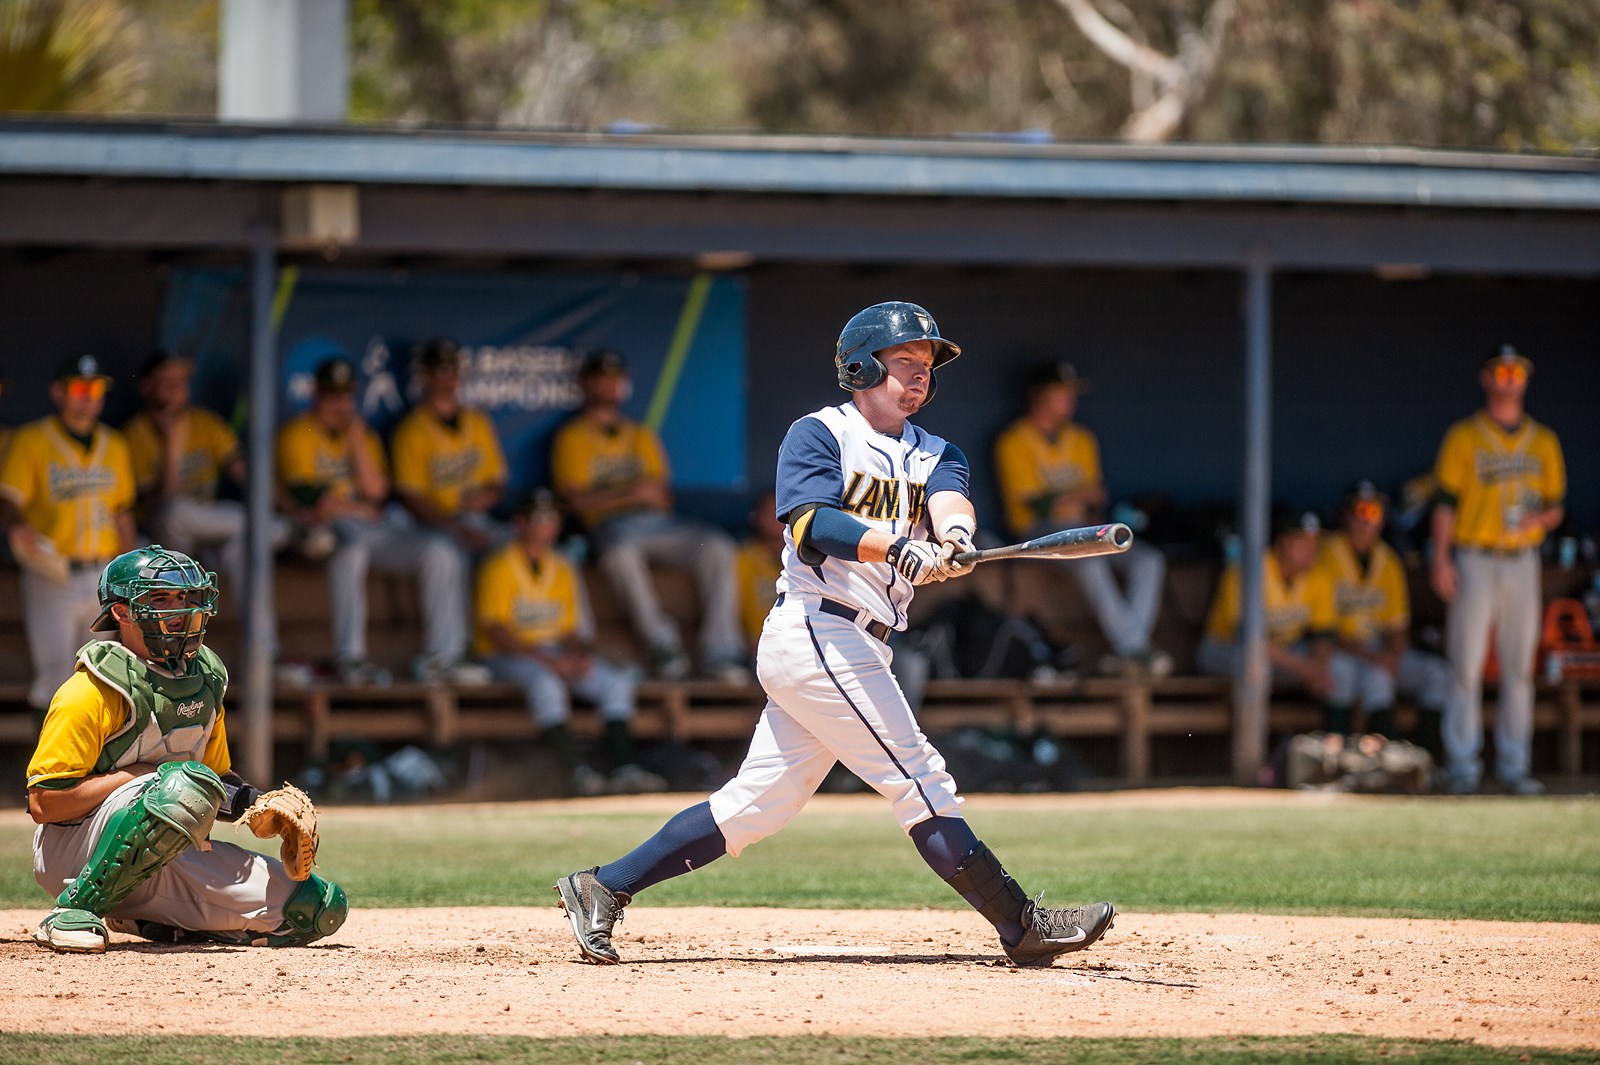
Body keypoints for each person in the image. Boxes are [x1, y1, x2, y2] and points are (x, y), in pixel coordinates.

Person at [553, 301, 1116, 968]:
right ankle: (1022, 925)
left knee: (755, 806)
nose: (920, 374)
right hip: (818, 629)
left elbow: (949, 499)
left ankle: (602, 885)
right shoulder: (820, 433)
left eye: (926, 364)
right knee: (920, 778)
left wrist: (954, 539)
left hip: (859, 641)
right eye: (905, 360)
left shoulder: (938, 451)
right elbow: (809, 522)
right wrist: (894, 546)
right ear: (862, 366)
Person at [25, 544, 348, 953]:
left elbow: (213, 782)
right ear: (121, 612)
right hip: (74, 853)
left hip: (167, 854)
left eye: (183, 596)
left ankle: (149, 919)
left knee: (315, 908)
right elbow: (44, 804)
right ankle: (75, 909)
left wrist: (259, 806)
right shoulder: (90, 690)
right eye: (159, 598)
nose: (177, 609)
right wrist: (140, 775)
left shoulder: (205, 681)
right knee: (178, 785)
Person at [275, 356, 481, 686]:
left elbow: (376, 492)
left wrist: (356, 439)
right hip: (328, 531)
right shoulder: (299, 432)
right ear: (316, 395)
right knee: (351, 553)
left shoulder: (363, 435)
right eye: (331, 395)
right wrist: (359, 508)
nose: (339, 403)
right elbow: (311, 496)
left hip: (369, 527)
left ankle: (444, 658)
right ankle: (350, 658)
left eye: (345, 395)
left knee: (440, 550)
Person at [550, 349, 748, 682]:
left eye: (614, 378)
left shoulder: (640, 434)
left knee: (718, 547)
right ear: (586, 384)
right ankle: (662, 644)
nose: (609, 385)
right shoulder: (572, 436)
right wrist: (630, 492)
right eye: (602, 379)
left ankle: (721, 651)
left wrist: (618, 494)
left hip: (658, 523)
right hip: (611, 526)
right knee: (620, 554)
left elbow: (663, 497)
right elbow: (577, 502)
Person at [1429, 345, 1566, 796]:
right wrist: (1441, 558)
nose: (1509, 380)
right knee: (1465, 664)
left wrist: (1539, 520)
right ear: (1486, 378)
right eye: (1502, 372)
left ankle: (1514, 765)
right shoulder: (1464, 436)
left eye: (1516, 373)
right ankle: (1462, 764)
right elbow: (1444, 503)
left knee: (1519, 667)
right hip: (1475, 556)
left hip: (1522, 559)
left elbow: (1556, 507)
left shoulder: (1543, 440)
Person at [474, 490, 666, 796]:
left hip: (555, 652)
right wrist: (550, 661)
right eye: (538, 518)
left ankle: (626, 768)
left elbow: (570, 630)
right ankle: (574, 773)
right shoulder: (499, 565)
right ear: (519, 523)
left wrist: (579, 655)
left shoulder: (561, 565)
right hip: (507, 656)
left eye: (552, 518)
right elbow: (496, 631)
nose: (547, 525)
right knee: (546, 684)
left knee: (615, 683)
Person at [993, 361, 1170, 676]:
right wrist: (1077, 497)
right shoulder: (1014, 440)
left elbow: (1096, 498)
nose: (1070, 399)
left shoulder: (1082, 438)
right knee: (1090, 562)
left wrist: (1071, 500)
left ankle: (1131, 651)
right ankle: (1135, 650)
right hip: (1038, 533)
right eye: (1062, 392)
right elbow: (1038, 507)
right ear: (1040, 396)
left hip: (1084, 527)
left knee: (1149, 561)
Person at [0, 355, 138, 711]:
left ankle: (90, 750)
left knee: (99, 677)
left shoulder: (115, 444)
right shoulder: (31, 440)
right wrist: (18, 524)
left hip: (102, 575)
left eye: (95, 388)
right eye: (79, 388)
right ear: (57, 392)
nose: (88, 397)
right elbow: (8, 497)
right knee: (55, 679)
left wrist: (131, 575)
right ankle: (47, 750)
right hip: (52, 572)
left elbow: (122, 513)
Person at [123, 350, 292, 590]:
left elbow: (246, 474)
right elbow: (161, 505)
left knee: (238, 549)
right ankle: (267, 525)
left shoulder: (205, 424)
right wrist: (172, 444)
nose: (176, 387)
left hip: (207, 532)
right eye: (167, 381)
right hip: (162, 544)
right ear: (147, 386)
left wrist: (291, 508)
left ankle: (258, 619)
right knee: (174, 512)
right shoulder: (133, 436)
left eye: (181, 380)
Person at [1318, 481, 1448, 753]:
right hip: (1345, 651)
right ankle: (1350, 757)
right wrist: (1376, 659)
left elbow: (1398, 627)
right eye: (1361, 511)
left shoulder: (1388, 560)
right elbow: (1324, 633)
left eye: (1374, 512)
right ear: (1346, 515)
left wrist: (1392, 657)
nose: (1367, 521)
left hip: (1378, 650)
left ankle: (1426, 759)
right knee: (1362, 675)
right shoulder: (1326, 554)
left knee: (1436, 675)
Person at [1197, 509, 1358, 728]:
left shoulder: (1319, 576)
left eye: (1314, 543)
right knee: (1256, 666)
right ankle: (1251, 744)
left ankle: (1335, 742)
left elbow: (1323, 636)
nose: (1310, 550)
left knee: (1340, 668)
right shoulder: (1247, 572)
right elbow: (1251, 641)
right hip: (1225, 647)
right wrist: (1305, 668)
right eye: (1302, 543)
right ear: (1282, 543)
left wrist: (1319, 667)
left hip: (1287, 651)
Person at [391, 338, 510, 555]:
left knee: (516, 546)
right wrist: (455, 528)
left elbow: (498, 481)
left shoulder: (478, 421)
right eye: (441, 370)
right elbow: (411, 497)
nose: (449, 377)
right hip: (436, 526)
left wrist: (488, 496)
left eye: (453, 369)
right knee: (446, 553)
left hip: (480, 519)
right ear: (426, 375)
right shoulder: (410, 430)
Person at [733, 489, 785, 665]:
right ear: (756, 517)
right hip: (753, 650)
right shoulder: (743, 557)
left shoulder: (804, 559)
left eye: (781, 511)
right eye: (769, 513)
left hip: (795, 645)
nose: (777, 518)